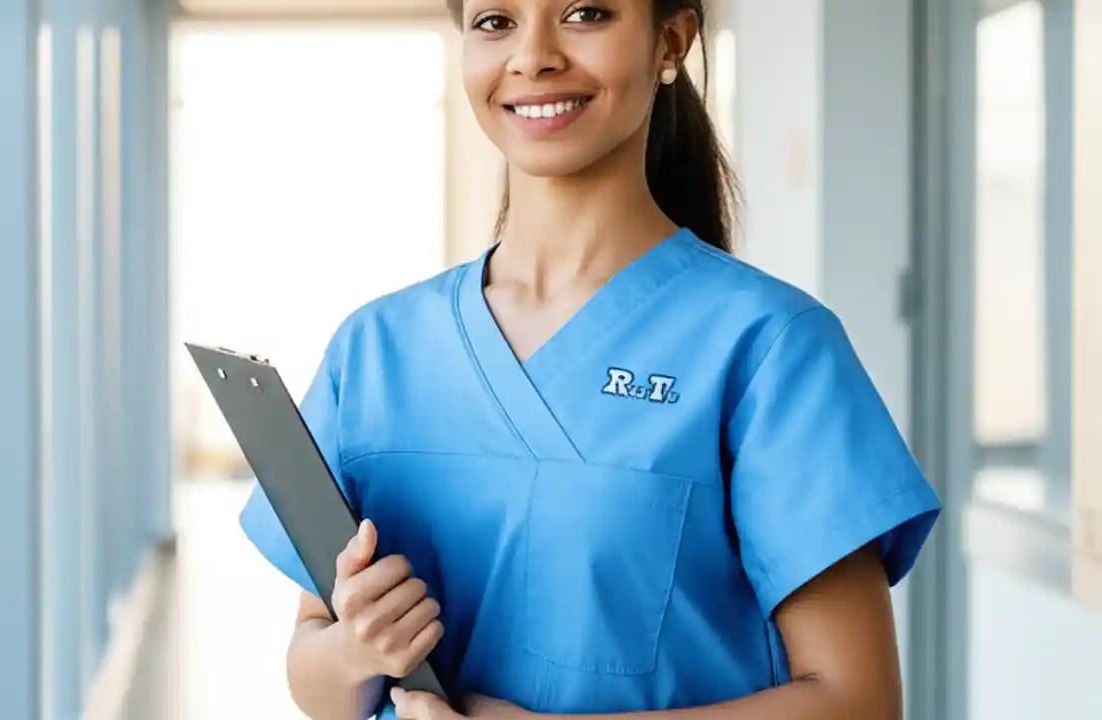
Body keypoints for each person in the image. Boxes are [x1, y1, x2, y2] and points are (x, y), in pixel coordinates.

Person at [240, 1, 942, 718]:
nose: (533, 55)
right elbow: (317, 675)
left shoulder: (768, 346)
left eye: (585, 13)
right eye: (494, 22)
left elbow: (857, 701)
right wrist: (358, 650)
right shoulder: (375, 349)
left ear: (670, 42)